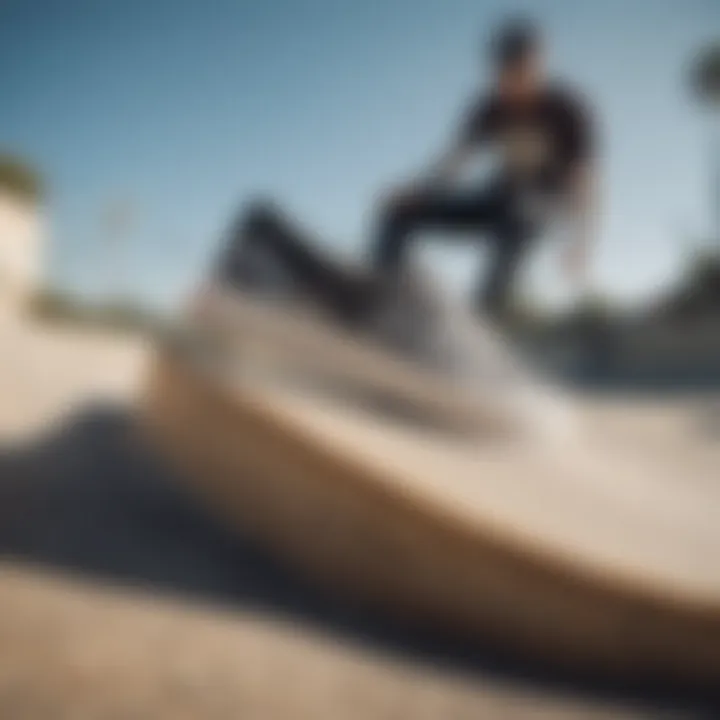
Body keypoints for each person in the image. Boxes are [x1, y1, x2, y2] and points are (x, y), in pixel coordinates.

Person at [371, 18, 597, 319]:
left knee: (522, 211)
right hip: (497, 199)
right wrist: (416, 192)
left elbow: (584, 181)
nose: (513, 85)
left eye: (522, 73)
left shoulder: (566, 109)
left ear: (538, 67)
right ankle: (383, 297)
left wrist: (581, 241)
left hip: (541, 206)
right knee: (398, 212)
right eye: (506, 75)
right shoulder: (488, 107)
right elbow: (454, 162)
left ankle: (478, 319)